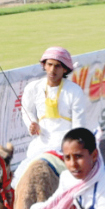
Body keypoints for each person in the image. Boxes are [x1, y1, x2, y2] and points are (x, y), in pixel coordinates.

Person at [16, 45, 90, 181]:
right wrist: (32, 124)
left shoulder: (74, 91)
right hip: (41, 144)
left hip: (65, 146)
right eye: (49, 65)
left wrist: (71, 149)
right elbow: (26, 110)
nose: (52, 70)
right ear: (44, 65)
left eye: (57, 66)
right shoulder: (33, 88)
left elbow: (79, 126)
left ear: (65, 69)